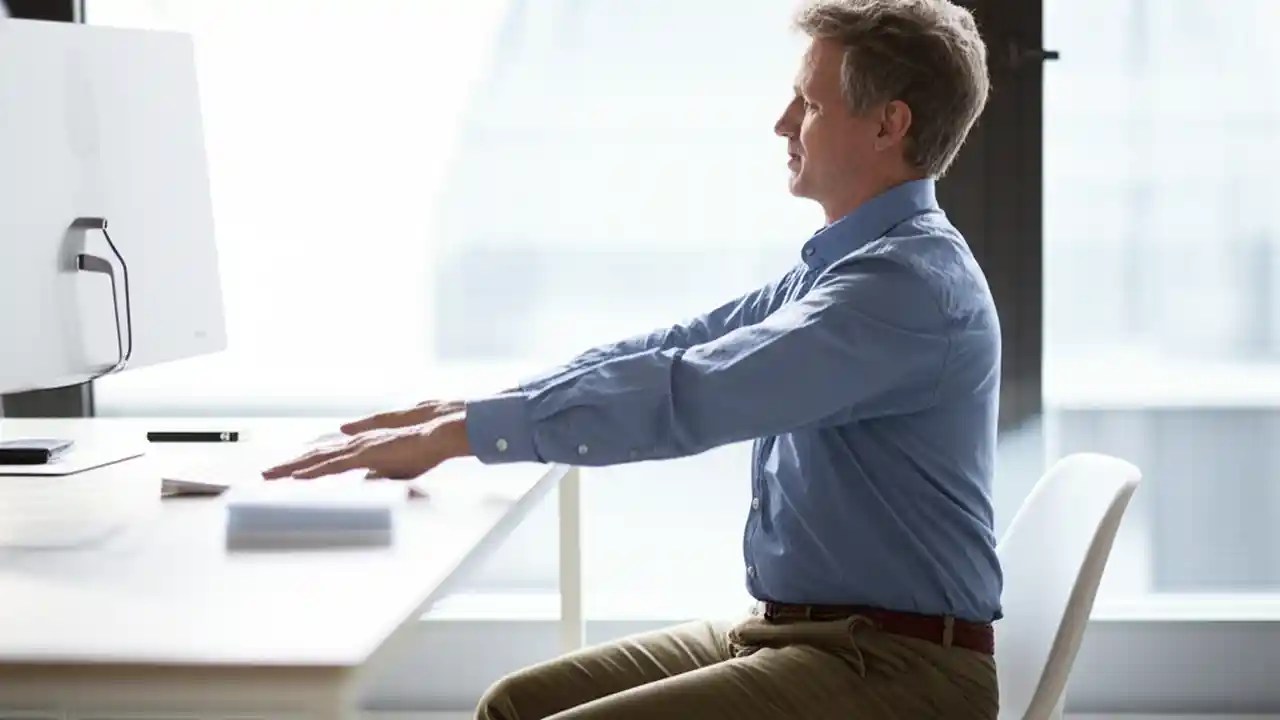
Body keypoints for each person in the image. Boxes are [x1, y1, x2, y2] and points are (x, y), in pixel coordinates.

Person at [264, 0, 1000, 716]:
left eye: (807, 103)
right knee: (515, 705)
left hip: (899, 669)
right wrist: (466, 411)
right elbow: (677, 345)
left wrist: (465, 437)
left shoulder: (903, 290)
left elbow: (694, 391)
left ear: (887, 123)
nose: (781, 123)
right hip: (802, 632)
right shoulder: (847, 266)